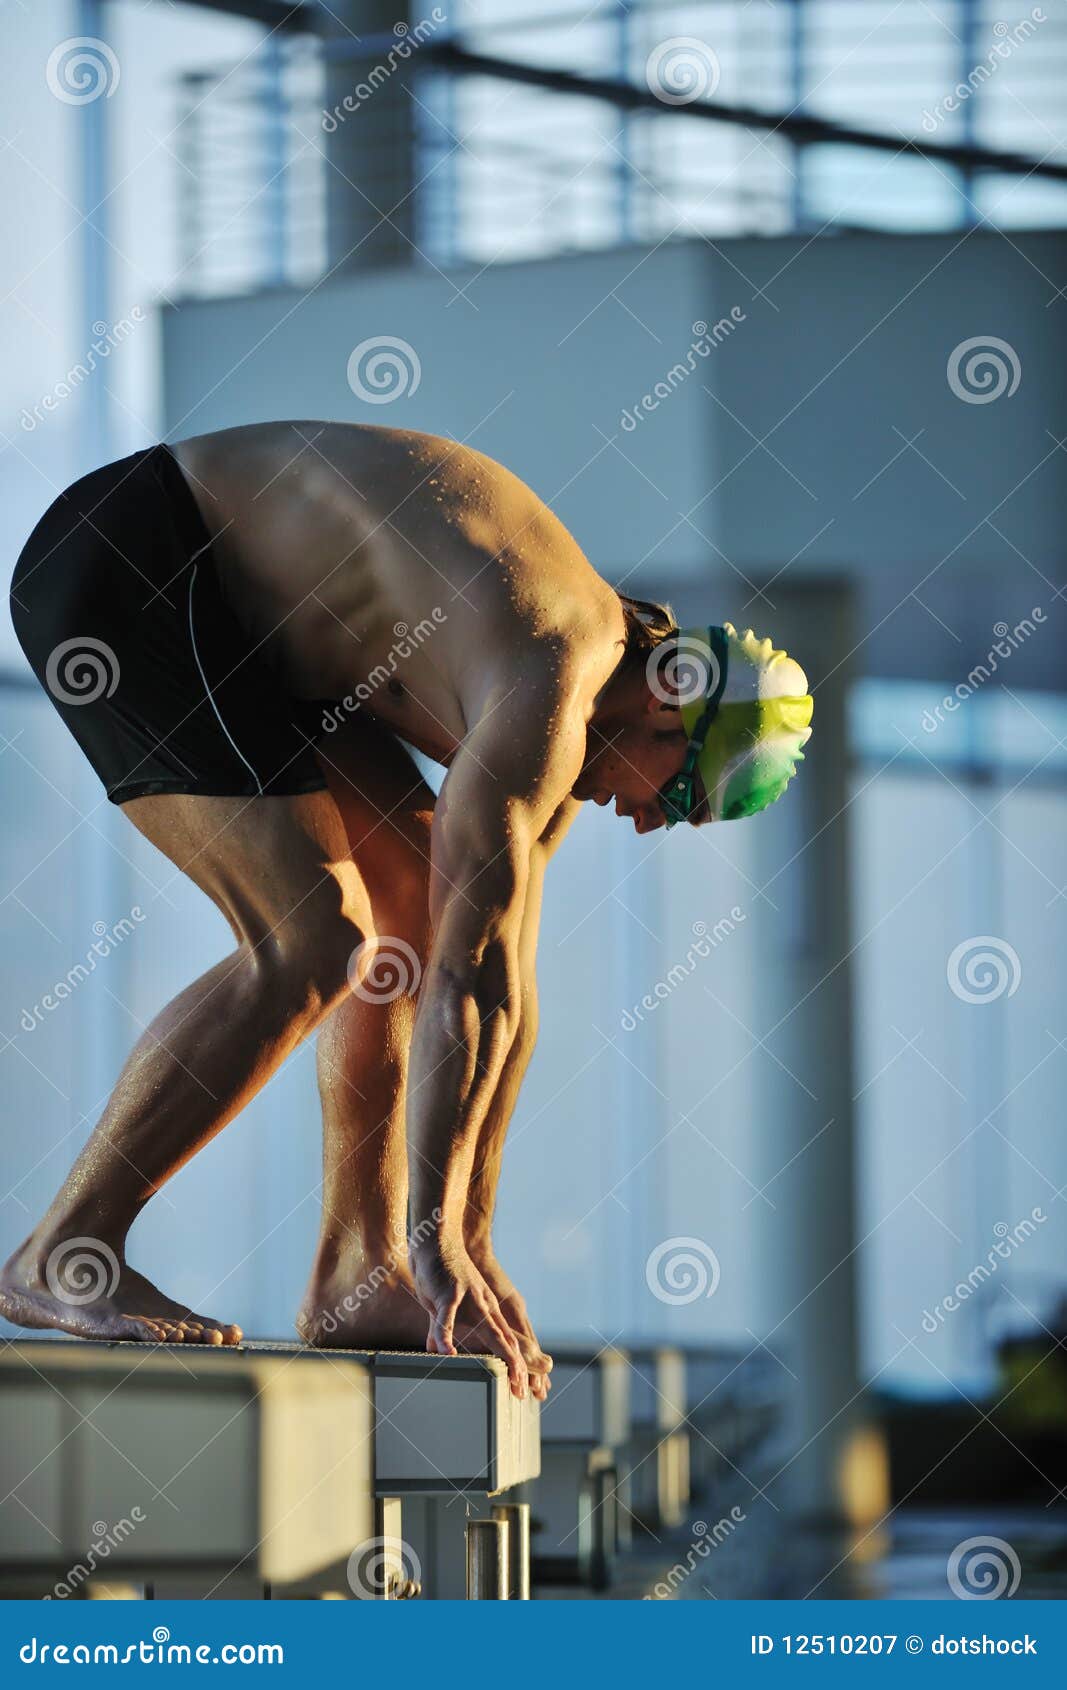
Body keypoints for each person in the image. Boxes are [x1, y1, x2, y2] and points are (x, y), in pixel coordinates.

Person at [3, 422, 813, 1399]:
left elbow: (497, 987)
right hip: (136, 560)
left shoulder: (573, 714)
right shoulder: (549, 680)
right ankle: (63, 1249)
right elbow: (474, 987)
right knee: (308, 939)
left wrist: (459, 1242)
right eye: (679, 797)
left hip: (252, 626)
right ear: (670, 708)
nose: (646, 823)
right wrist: (445, 1247)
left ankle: (361, 1271)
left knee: (409, 917)